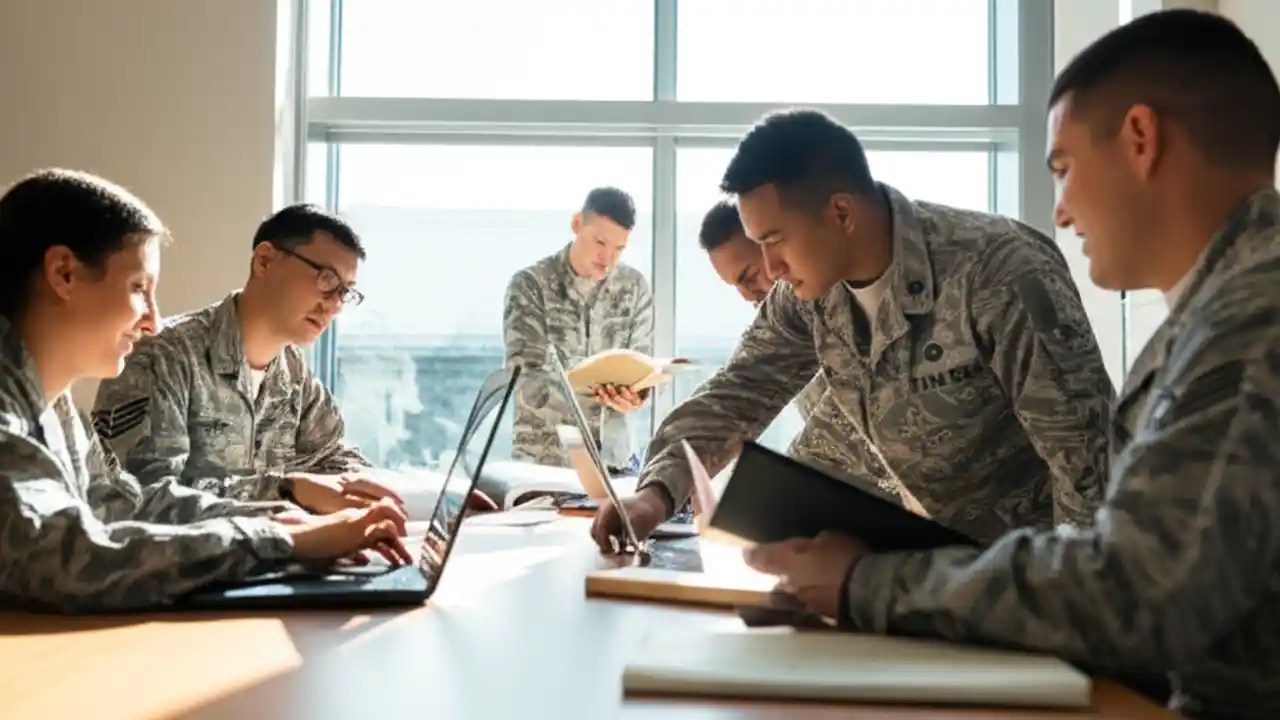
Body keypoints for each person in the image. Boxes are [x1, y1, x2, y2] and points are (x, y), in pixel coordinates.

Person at [742, 10, 1280, 718]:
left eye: (1064, 169)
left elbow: (1136, 593)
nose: (1061, 212)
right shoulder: (1220, 311)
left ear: (1141, 140)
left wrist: (864, 584)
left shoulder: (1250, 327)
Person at [594, 107, 1115, 550]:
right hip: (919, 569)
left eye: (775, 239)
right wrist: (655, 496)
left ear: (841, 211)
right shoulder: (811, 296)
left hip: (1026, 575)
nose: (770, 268)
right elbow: (737, 394)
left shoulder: (998, 272)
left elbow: (1087, 463)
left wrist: (1070, 624)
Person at [0, 168, 410, 612]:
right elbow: (67, 558)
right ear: (64, 274)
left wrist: (280, 520)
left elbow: (129, 504)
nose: (152, 321)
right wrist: (282, 538)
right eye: (139, 288)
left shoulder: (52, 405)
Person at [91, 204, 406, 517]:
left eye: (345, 292)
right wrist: (285, 490)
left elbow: (333, 457)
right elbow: (144, 499)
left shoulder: (293, 373)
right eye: (326, 279)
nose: (335, 305)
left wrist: (365, 488)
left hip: (276, 561)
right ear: (265, 260)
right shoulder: (162, 354)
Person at [697, 200, 924, 513]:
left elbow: (842, 442)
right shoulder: (787, 323)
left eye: (748, 275)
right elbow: (736, 393)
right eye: (734, 285)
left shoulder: (847, 305)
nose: (746, 293)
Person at [504, 186, 653, 470]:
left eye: (619, 249)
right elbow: (527, 381)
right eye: (600, 242)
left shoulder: (635, 288)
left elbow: (642, 369)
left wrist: (635, 397)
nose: (607, 258)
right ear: (576, 224)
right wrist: (593, 383)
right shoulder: (529, 286)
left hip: (614, 463)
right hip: (543, 463)